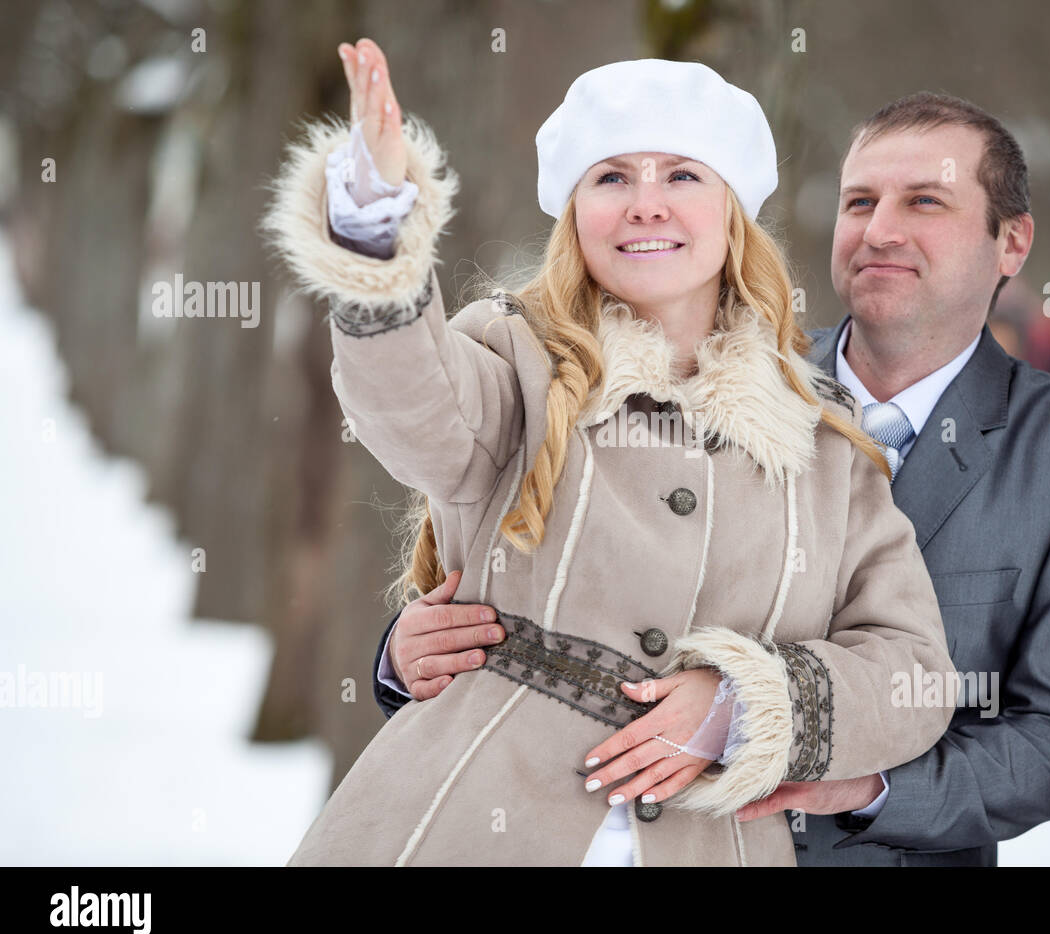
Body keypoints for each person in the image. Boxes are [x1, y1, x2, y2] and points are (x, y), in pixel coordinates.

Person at [379, 91, 1050, 867]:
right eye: (859, 201)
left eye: (925, 201)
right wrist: (413, 653)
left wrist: (864, 783)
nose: (879, 230)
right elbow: (558, 577)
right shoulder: (720, 373)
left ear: (1012, 242)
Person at [260, 41, 956, 866]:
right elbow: (411, 408)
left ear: (732, 210)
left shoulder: (822, 437)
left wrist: (746, 706)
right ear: (576, 212)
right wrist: (375, 229)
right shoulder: (512, 360)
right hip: (462, 825)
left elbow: (913, 672)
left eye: (683, 176)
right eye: (613, 177)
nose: (646, 204)